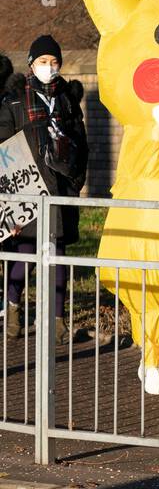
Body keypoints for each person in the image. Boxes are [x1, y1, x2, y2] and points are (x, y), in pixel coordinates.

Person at [0, 36, 89, 345]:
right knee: (24, 257)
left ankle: (56, 320)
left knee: (56, 257)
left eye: (54, 62)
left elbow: (81, 142)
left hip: (60, 190)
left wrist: (75, 181)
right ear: (31, 64)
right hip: (25, 192)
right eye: (42, 62)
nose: (49, 67)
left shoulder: (67, 100)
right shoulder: (14, 100)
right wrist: (8, 203)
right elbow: (3, 149)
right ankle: (13, 308)